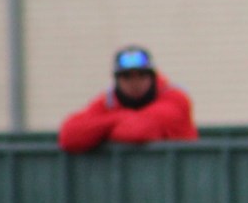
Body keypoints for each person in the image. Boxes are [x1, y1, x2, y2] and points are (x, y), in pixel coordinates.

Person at [58, 45, 198, 153]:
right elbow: (69, 135)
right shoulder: (110, 101)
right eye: (126, 77)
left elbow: (139, 131)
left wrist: (101, 131)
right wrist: (119, 119)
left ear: (152, 77)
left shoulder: (174, 98)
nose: (134, 82)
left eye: (141, 75)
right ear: (116, 80)